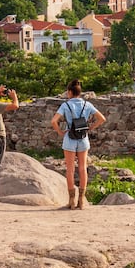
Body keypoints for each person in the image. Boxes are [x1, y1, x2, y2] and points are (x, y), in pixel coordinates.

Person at [52, 80, 106, 210]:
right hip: (83, 138)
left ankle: (71, 200)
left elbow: (54, 121)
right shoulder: (87, 104)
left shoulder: (66, 105)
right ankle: (81, 199)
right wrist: (91, 127)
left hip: (70, 138)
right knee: (82, 168)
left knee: (70, 169)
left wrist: (60, 132)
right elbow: (102, 118)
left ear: (70, 92)